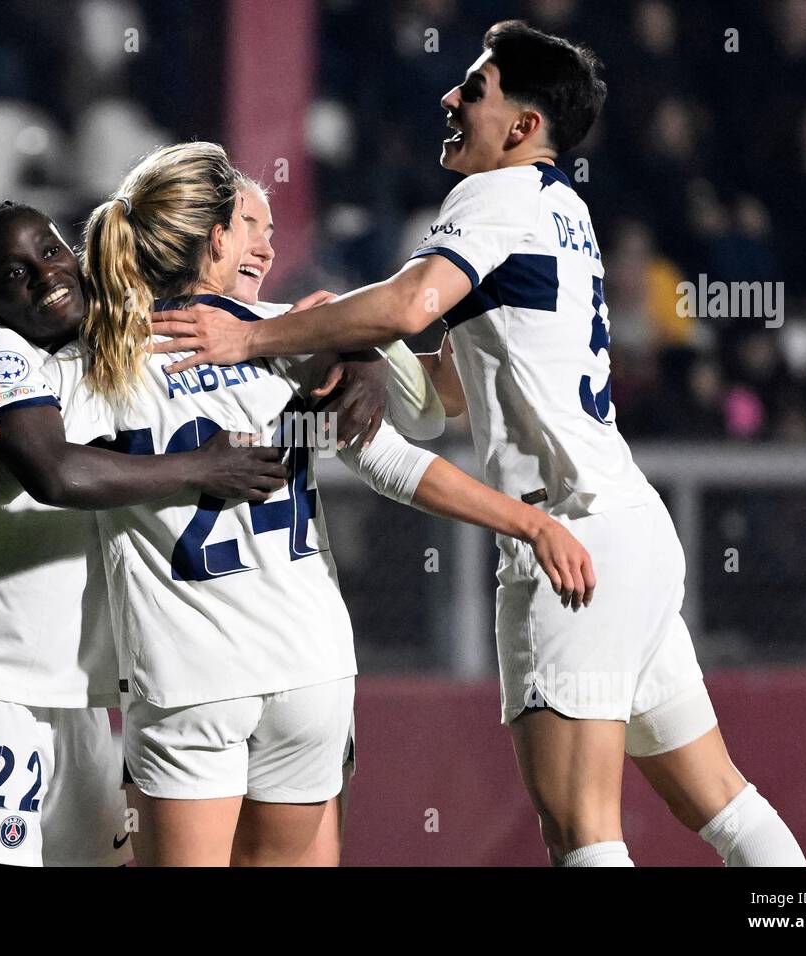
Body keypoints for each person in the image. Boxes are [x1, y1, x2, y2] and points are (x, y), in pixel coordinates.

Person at [149, 22, 806, 867]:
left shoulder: (492, 197)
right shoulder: (565, 209)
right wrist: (363, 350)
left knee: (582, 834)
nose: (450, 100)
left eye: (476, 89)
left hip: (567, 539)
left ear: (524, 126)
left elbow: (414, 300)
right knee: (725, 804)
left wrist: (262, 338)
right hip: (631, 530)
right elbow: (444, 394)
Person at [55, 140, 591, 866]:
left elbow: (32, 458)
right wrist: (528, 521)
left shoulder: (97, 359)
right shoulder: (286, 339)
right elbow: (398, 460)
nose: (269, 248)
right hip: (310, 667)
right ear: (215, 239)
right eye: (253, 228)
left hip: (191, 674)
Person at [0, 200, 292, 867]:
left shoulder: (112, 342)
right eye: (15, 274)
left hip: (75, 692)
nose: (45, 275)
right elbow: (56, 475)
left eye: (50, 252)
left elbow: (291, 325)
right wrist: (205, 467)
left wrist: (362, 352)